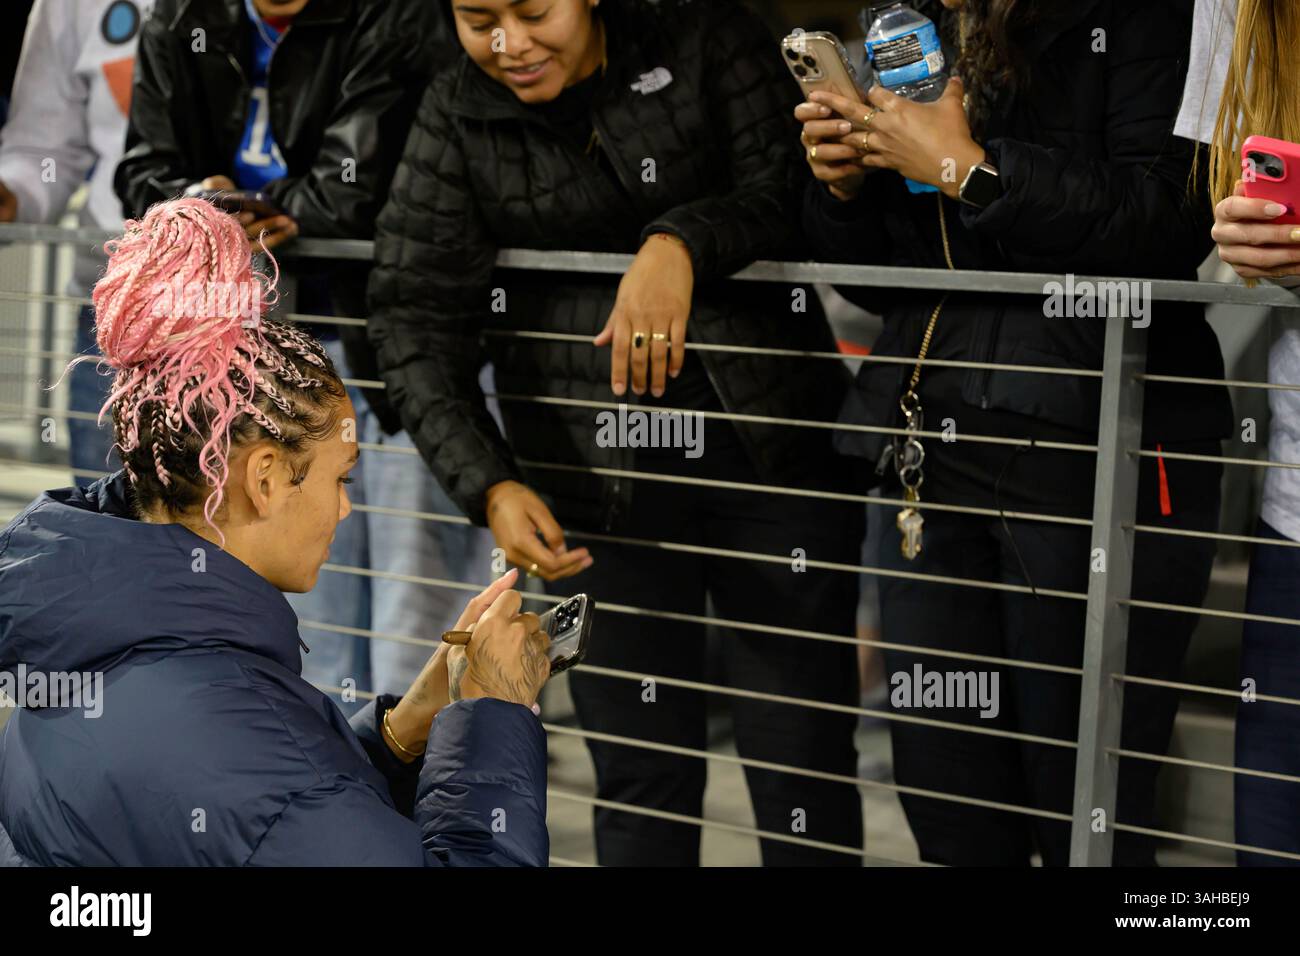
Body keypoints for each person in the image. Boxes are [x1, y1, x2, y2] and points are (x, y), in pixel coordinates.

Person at [369, 0, 865, 866]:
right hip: (592, 490)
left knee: (803, 767)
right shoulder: (455, 106)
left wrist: (677, 243)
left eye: (533, 12)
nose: (509, 44)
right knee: (639, 771)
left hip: (774, 463)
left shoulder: (705, 35)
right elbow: (412, 314)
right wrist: (489, 481)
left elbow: (790, 191)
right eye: (477, 16)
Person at [797, 0, 1232, 865]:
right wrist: (845, 187)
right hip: (926, 448)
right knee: (950, 807)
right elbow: (884, 286)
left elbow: (1169, 224)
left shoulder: (1173, 17)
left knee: (1089, 814)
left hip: (1105, 450)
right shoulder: (914, 22)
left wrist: (972, 169)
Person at [0, 199, 550, 866]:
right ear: (265, 480)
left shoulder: (87, 631)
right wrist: (495, 712)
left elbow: (287, 816)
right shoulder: (233, 735)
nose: (346, 509)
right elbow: (279, 799)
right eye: (340, 478)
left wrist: (403, 732)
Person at [114, 0, 490, 707]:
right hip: (256, 359)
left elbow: (351, 189)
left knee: (419, 625)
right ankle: (325, 792)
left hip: (394, 350)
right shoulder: (178, 17)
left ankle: (417, 805)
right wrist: (205, 202)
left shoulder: (397, 18)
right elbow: (141, 178)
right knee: (298, 619)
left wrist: (233, 209)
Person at [1180, 0, 1300, 866]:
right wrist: (1243, 234)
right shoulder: (1243, 9)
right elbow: (1187, 209)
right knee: (1267, 841)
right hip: (1292, 510)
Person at [0, 0, 154, 474]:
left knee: (299, 542)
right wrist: (14, 196)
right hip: (112, 320)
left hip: (287, 314)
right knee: (114, 537)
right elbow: (42, 148)